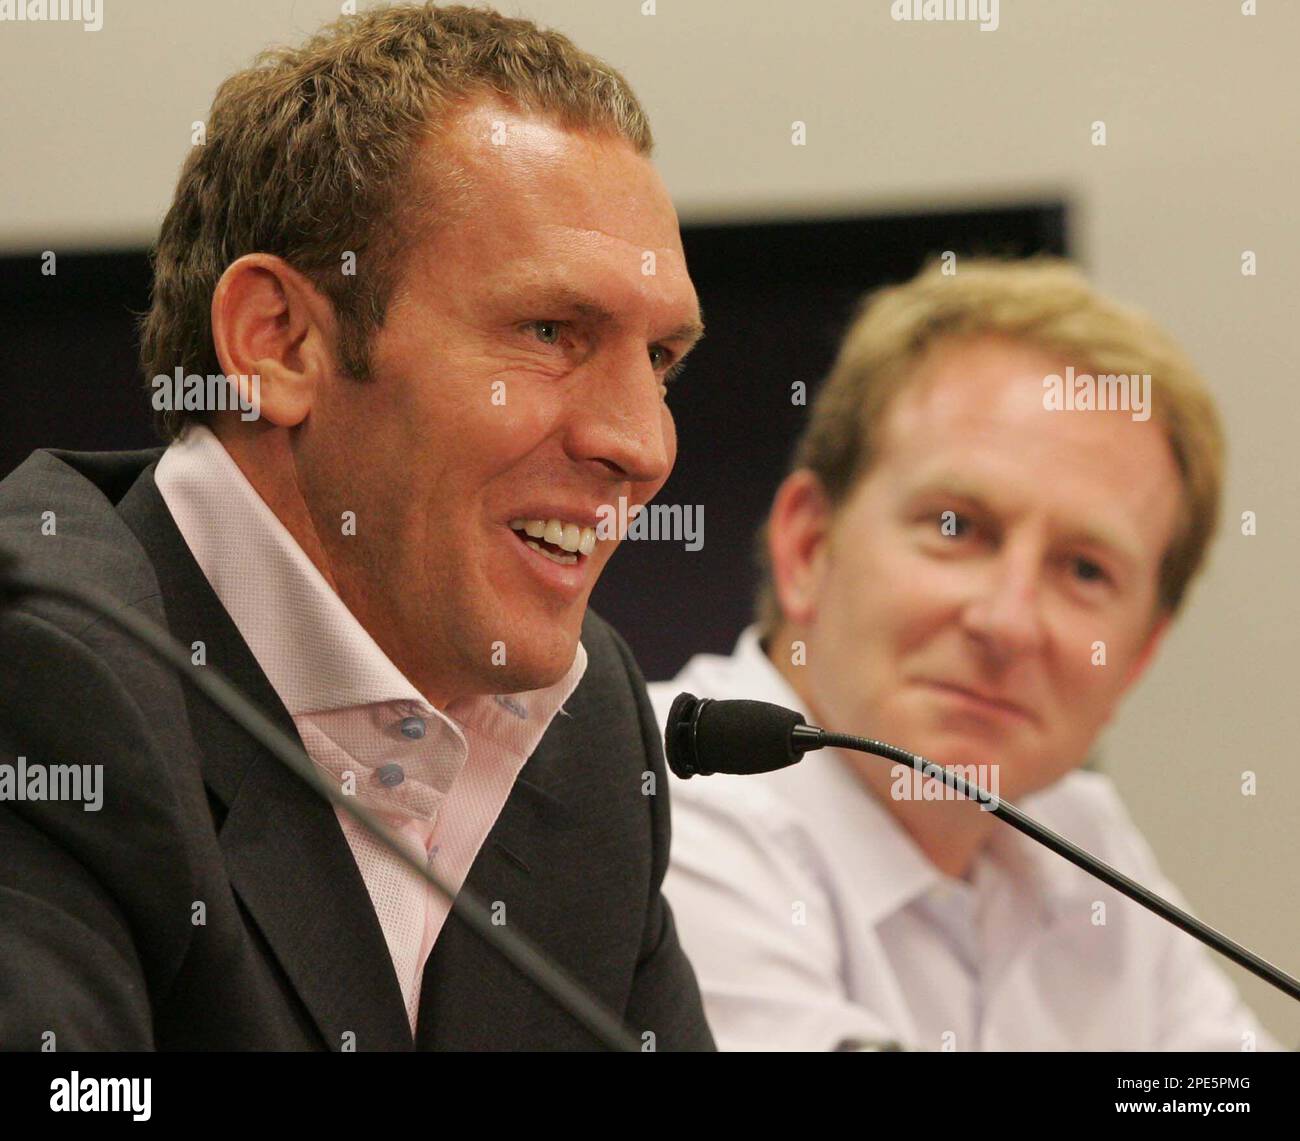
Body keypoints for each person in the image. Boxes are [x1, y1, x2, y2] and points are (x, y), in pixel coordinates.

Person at [0, 3, 712, 1051]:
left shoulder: (584, 723)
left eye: (659, 362)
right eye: (552, 331)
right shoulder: (37, 674)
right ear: (279, 341)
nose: (641, 445)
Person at [649, 257, 1281, 1051]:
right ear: (809, 545)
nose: (1009, 622)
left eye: (1085, 570)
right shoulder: (658, 803)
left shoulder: (1082, 835)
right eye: (958, 527)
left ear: (1138, 658)